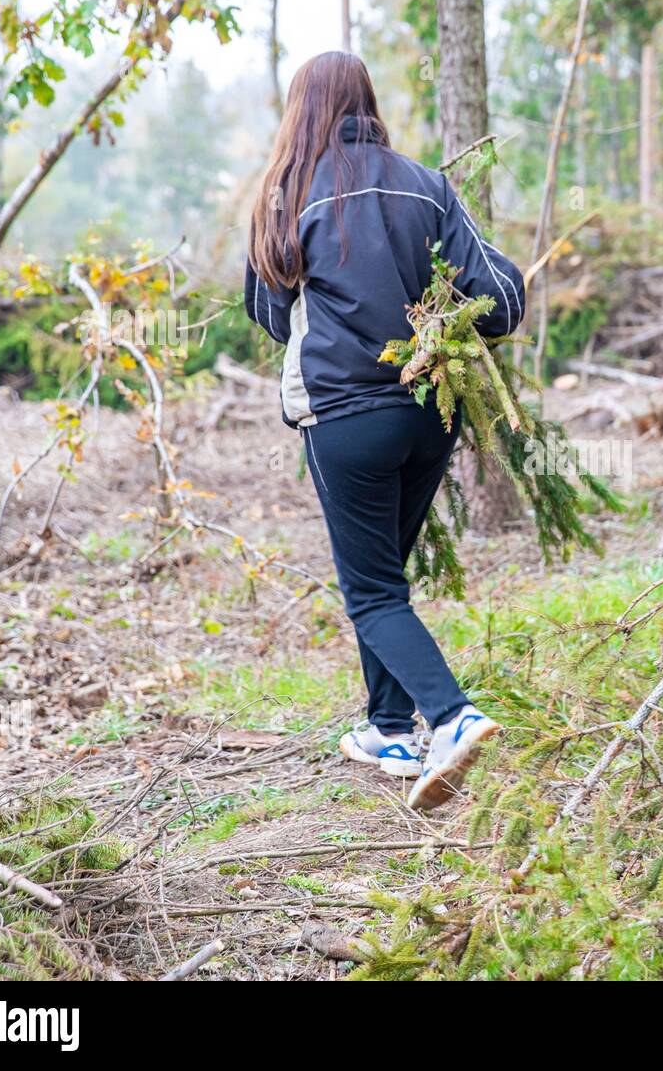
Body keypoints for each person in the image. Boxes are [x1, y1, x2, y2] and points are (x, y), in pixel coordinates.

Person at [244, 51, 525, 812]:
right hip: (428, 414)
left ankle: (452, 715)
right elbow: (500, 299)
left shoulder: (284, 195)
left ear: (301, 109)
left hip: (342, 417)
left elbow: (270, 316)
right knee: (386, 577)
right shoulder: (427, 185)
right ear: (367, 102)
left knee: (370, 590)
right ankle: (388, 728)